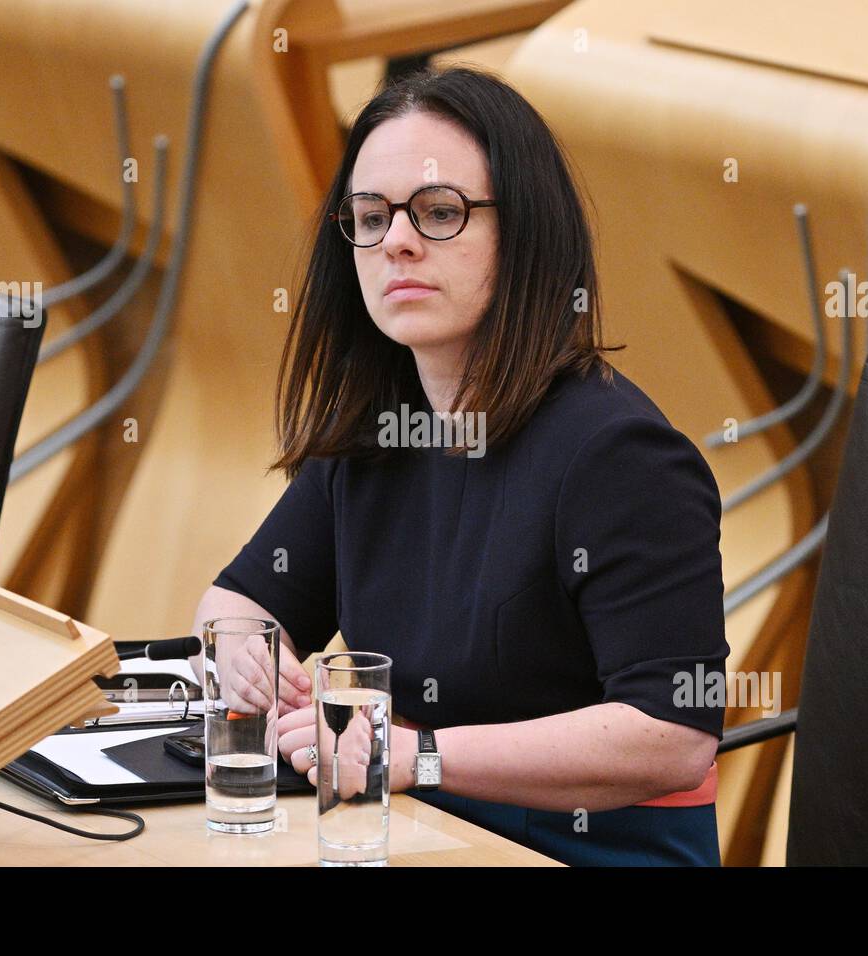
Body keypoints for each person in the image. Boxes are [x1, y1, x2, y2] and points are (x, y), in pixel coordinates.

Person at [190, 66, 729, 866]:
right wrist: (250, 666)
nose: (396, 240)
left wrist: (417, 756)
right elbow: (235, 601)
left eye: (439, 212)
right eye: (370, 218)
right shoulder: (381, 431)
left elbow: (672, 734)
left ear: (526, 236)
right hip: (417, 840)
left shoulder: (618, 455)